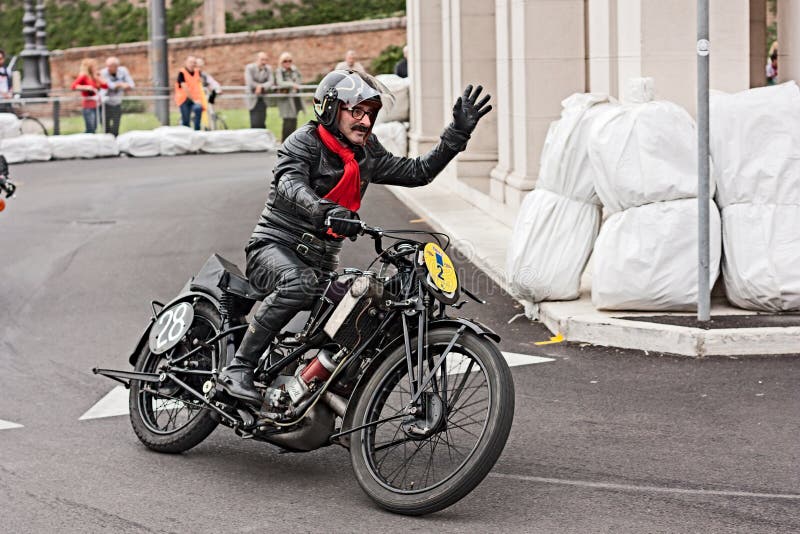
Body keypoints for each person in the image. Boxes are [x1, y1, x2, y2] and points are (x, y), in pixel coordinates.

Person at [217, 69, 492, 405]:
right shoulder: (305, 141)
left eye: (370, 114)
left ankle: (319, 386)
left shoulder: (367, 153)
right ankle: (237, 369)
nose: (365, 121)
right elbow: (290, 184)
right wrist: (324, 210)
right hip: (274, 246)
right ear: (331, 109)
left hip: (323, 260)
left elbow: (418, 172)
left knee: (367, 306)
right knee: (298, 283)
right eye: (356, 111)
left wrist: (456, 134)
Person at [99, 56, 134, 136]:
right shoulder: (103, 72)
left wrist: (121, 85)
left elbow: (131, 84)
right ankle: (107, 142)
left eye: (110, 66)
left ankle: (115, 142)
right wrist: (121, 84)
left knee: (116, 126)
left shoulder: (123, 71)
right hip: (105, 103)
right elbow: (109, 85)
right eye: (107, 66)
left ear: (116, 66)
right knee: (105, 126)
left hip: (117, 102)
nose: (108, 68)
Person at [71, 58, 108, 134]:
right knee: (91, 128)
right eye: (94, 66)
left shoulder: (95, 76)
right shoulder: (84, 76)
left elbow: (105, 86)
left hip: (98, 105)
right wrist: (86, 87)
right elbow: (73, 86)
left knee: (97, 125)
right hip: (88, 106)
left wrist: (98, 77)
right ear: (89, 67)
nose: (96, 67)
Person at [274, 52, 304, 142]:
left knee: (294, 119)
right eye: (285, 61)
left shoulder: (295, 70)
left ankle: (292, 142)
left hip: (294, 98)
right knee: (287, 120)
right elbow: (280, 82)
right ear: (281, 62)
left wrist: (296, 85)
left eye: (289, 60)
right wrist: (292, 84)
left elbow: (299, 80)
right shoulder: (279, 71)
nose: (287, 62)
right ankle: (284, 141)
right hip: (285, 99)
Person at [245, 52, 274, 129]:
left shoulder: (269, 69)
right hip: (253, 98)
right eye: (262, 60)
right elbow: (249, 82)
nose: (264, 62)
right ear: (257, 60)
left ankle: (262, 139)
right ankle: (254, 139)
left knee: (262, 121)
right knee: (254, 122)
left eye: (266, 60)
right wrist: (257, 86)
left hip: (263, 98)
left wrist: (261, 86)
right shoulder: (249, 68)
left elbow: (271, 82)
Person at [175, 55, 204, 130]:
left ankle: (197, 131)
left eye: (194, 62)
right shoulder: (182, 73)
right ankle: (186, 136)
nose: (192, 64)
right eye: (190, 62)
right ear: (186, 63)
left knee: (198, 109)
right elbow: (185, 88)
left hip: (195, 99)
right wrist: (194, 100)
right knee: (186, 121)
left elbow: (201, 83)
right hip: (184, 100)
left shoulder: (197, 72)